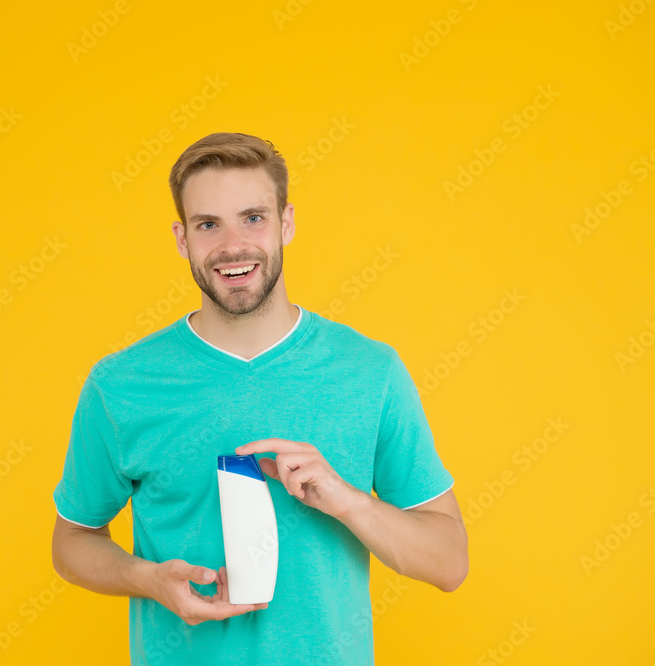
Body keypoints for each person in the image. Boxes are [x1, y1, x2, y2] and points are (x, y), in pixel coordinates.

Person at [52, 132, 468, 665]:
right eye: (208, 225)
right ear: (182, 238)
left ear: (286, 223)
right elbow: (72, 542)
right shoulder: (121, 385)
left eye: (253, 217)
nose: (232, 246)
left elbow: (449, 563)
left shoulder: (369, 371)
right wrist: (148, 580)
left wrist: (349, 501)